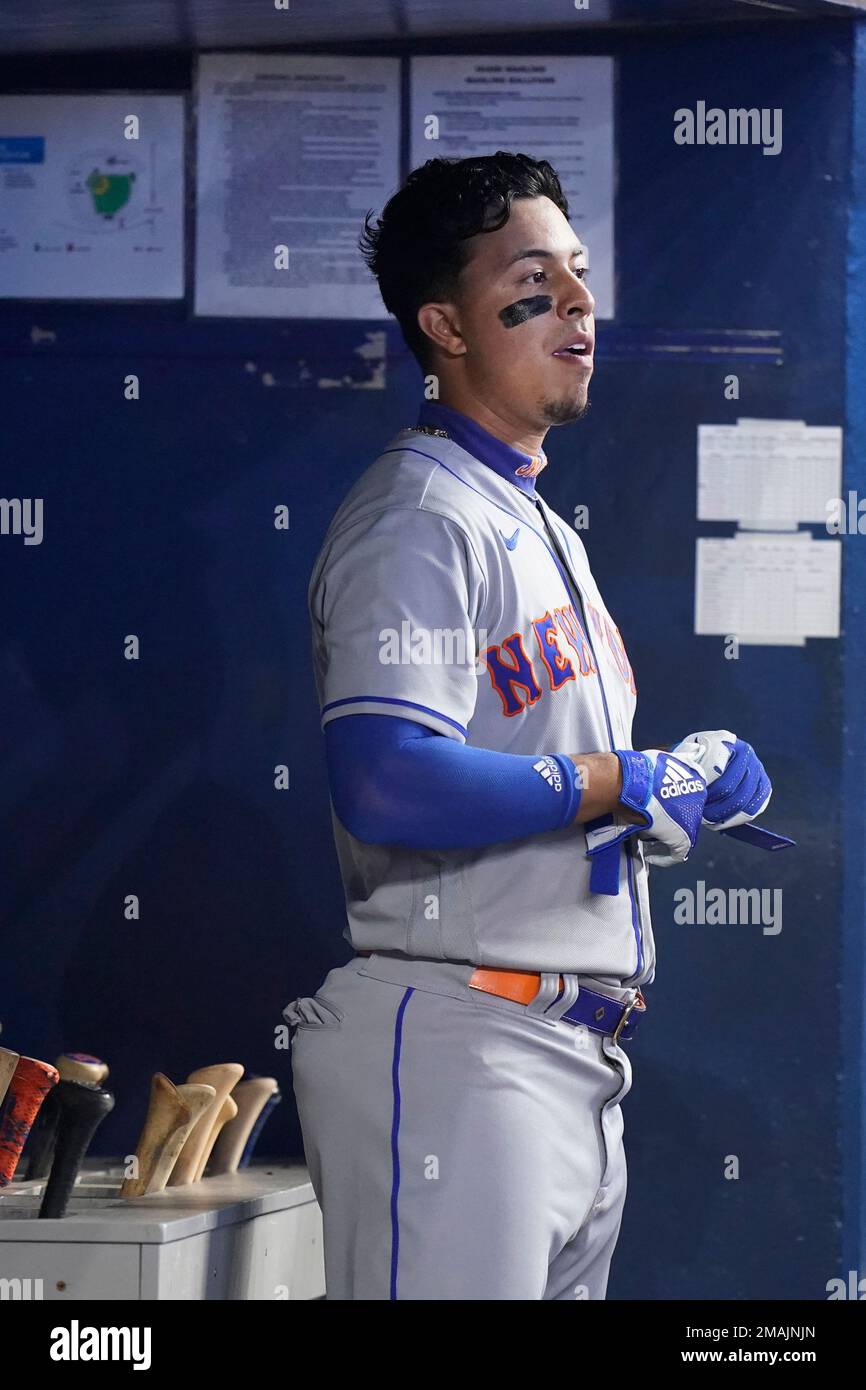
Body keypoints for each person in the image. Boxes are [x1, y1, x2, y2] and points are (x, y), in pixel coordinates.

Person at [283, 151, 771, 1301]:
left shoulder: (534, 520)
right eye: (533, 279)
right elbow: (387, 782)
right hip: (459, 1042)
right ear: (444, 323)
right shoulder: (417, 517)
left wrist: (668, 792)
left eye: (581, 274)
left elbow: (546, 785)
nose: (576, 303)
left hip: (565, 1054)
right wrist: (610, 778)